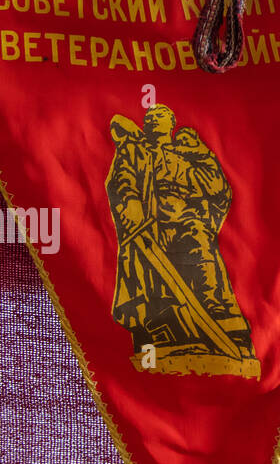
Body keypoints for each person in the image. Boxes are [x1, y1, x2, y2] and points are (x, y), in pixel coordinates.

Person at [106, 105, 258, 376]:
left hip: (187, 219)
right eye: (151, 117)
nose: (155, 119)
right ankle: (164, 330)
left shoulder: (187, 154)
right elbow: (124, 179)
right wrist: (130, 201)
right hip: (152, 223)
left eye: (161, 117)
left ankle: (217, 316)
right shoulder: (137, 151)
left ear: (172, 123)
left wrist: (198, 161)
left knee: (201, 255)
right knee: (155, 282)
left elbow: (216, 186)